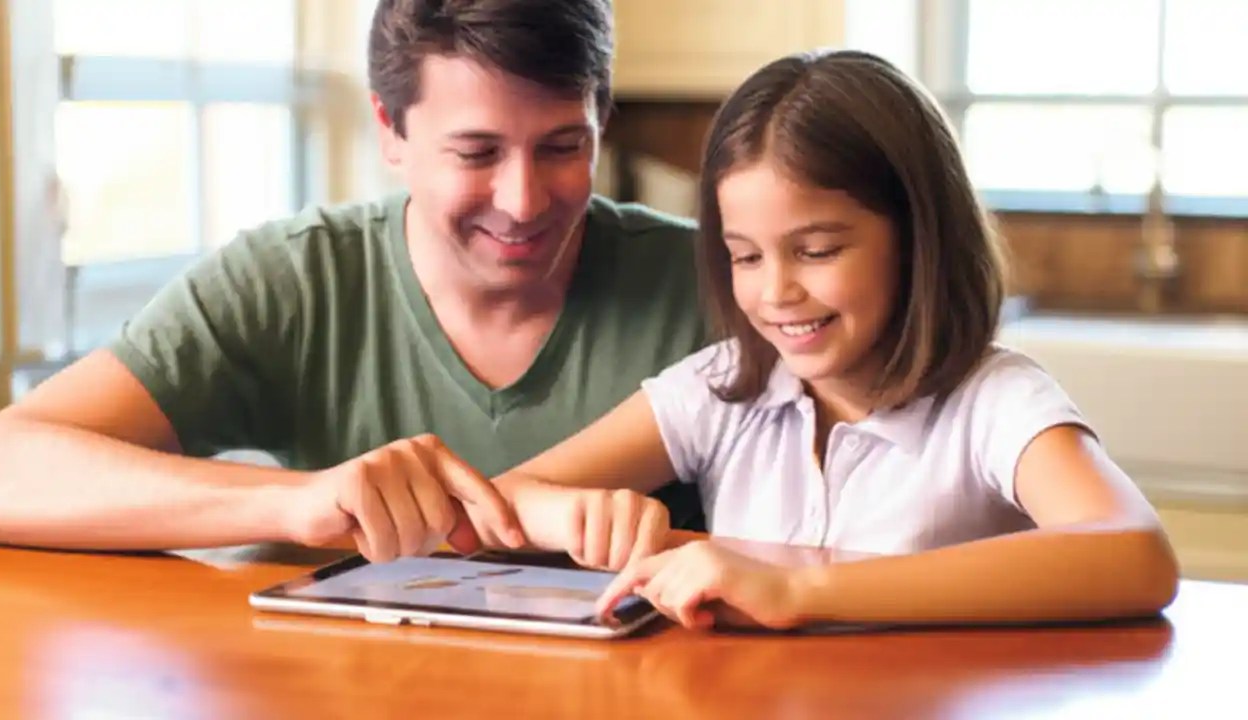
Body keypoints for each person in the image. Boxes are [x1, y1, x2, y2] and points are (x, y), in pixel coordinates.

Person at [0, 0, 705, 562]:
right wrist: (300, 503)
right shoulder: (295, 281)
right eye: (476, 153)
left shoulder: (719, 287)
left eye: (562, 146)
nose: (523, 201)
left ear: (601, 119)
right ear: (389, 128)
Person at [486, 49, 1180, 629]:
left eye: (816, 250)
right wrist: (570, 512)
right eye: (746, 256)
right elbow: (503, 500)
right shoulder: (725, 386)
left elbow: (1135, 555)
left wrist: (796, 590)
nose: (775, 292)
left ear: (916, 238)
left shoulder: (992, 400)